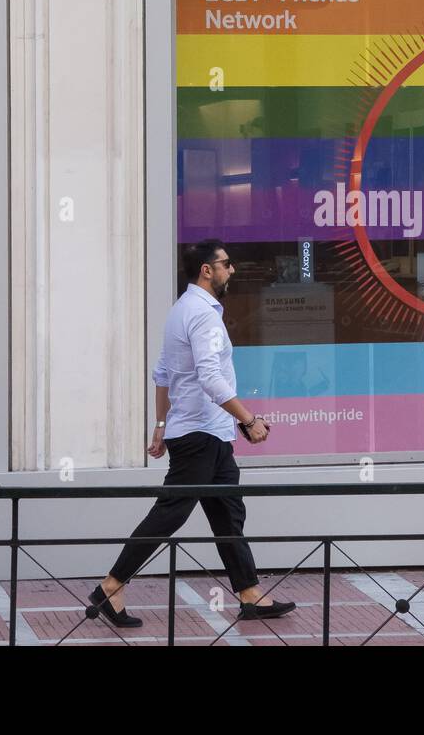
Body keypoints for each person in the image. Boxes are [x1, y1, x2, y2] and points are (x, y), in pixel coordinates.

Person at [88, 240, 295, 629]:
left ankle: (249, 594)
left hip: (206, 435)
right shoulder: (202, 316)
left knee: (229, 516)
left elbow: (163, 374)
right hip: (200, 436)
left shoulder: (180, 311)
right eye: (226, 264)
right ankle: (111, 586)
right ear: (206, 269)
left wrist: (161, 425)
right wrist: (249, 420)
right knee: (169, 515)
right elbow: (210, 378)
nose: (231, 270)